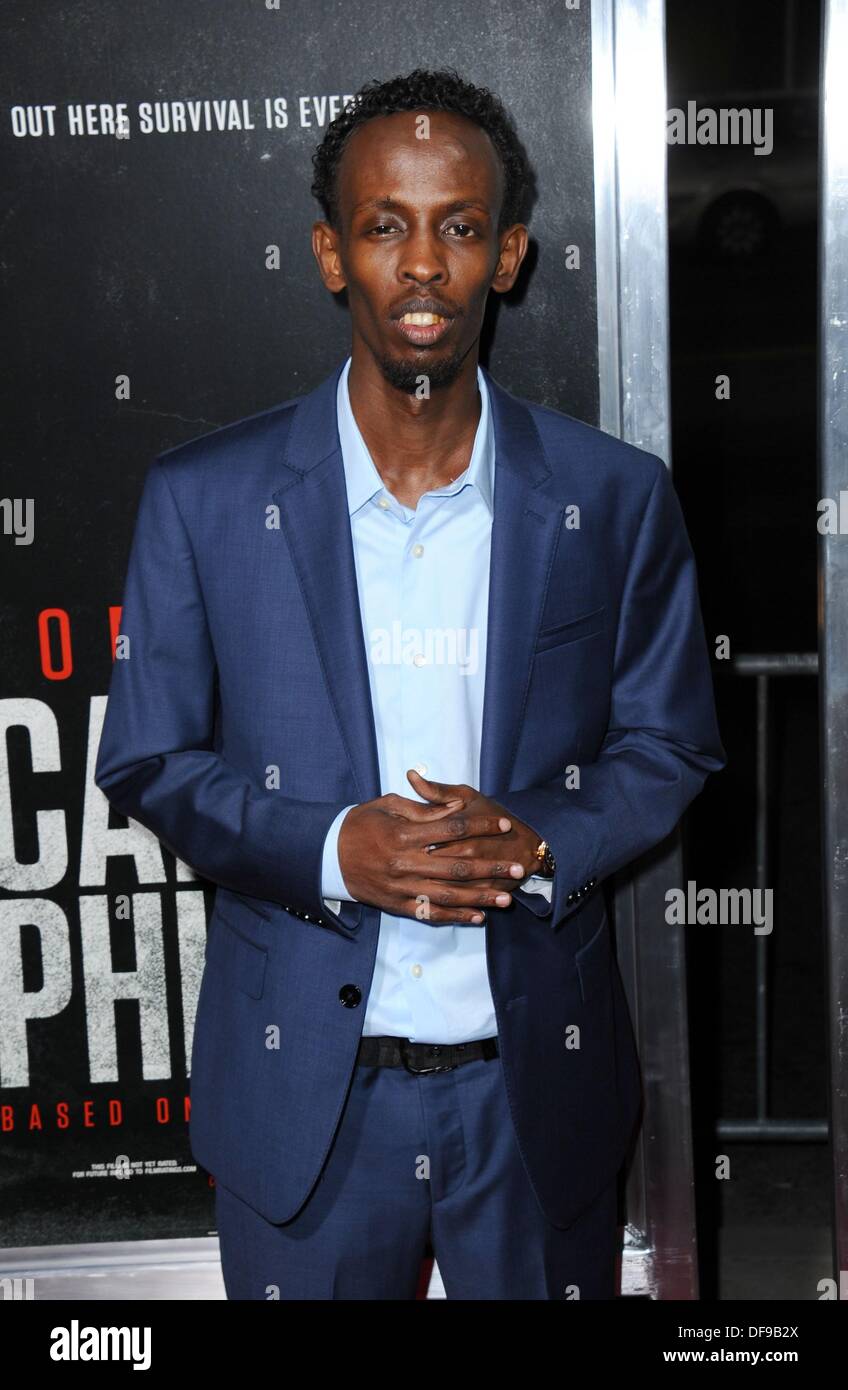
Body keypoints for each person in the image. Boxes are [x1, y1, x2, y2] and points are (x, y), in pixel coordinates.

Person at [95, 67, 725, 1300]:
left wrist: (539, 835)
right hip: (305, 1115)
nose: (422, 264)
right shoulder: (206, 497)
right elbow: (150, 758)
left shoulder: (611, 496)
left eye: (458, 227)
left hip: (533, 1089)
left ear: (509, 255)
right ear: (332, 254)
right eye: (385, 226)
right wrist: (337, 848)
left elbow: (670, 743)